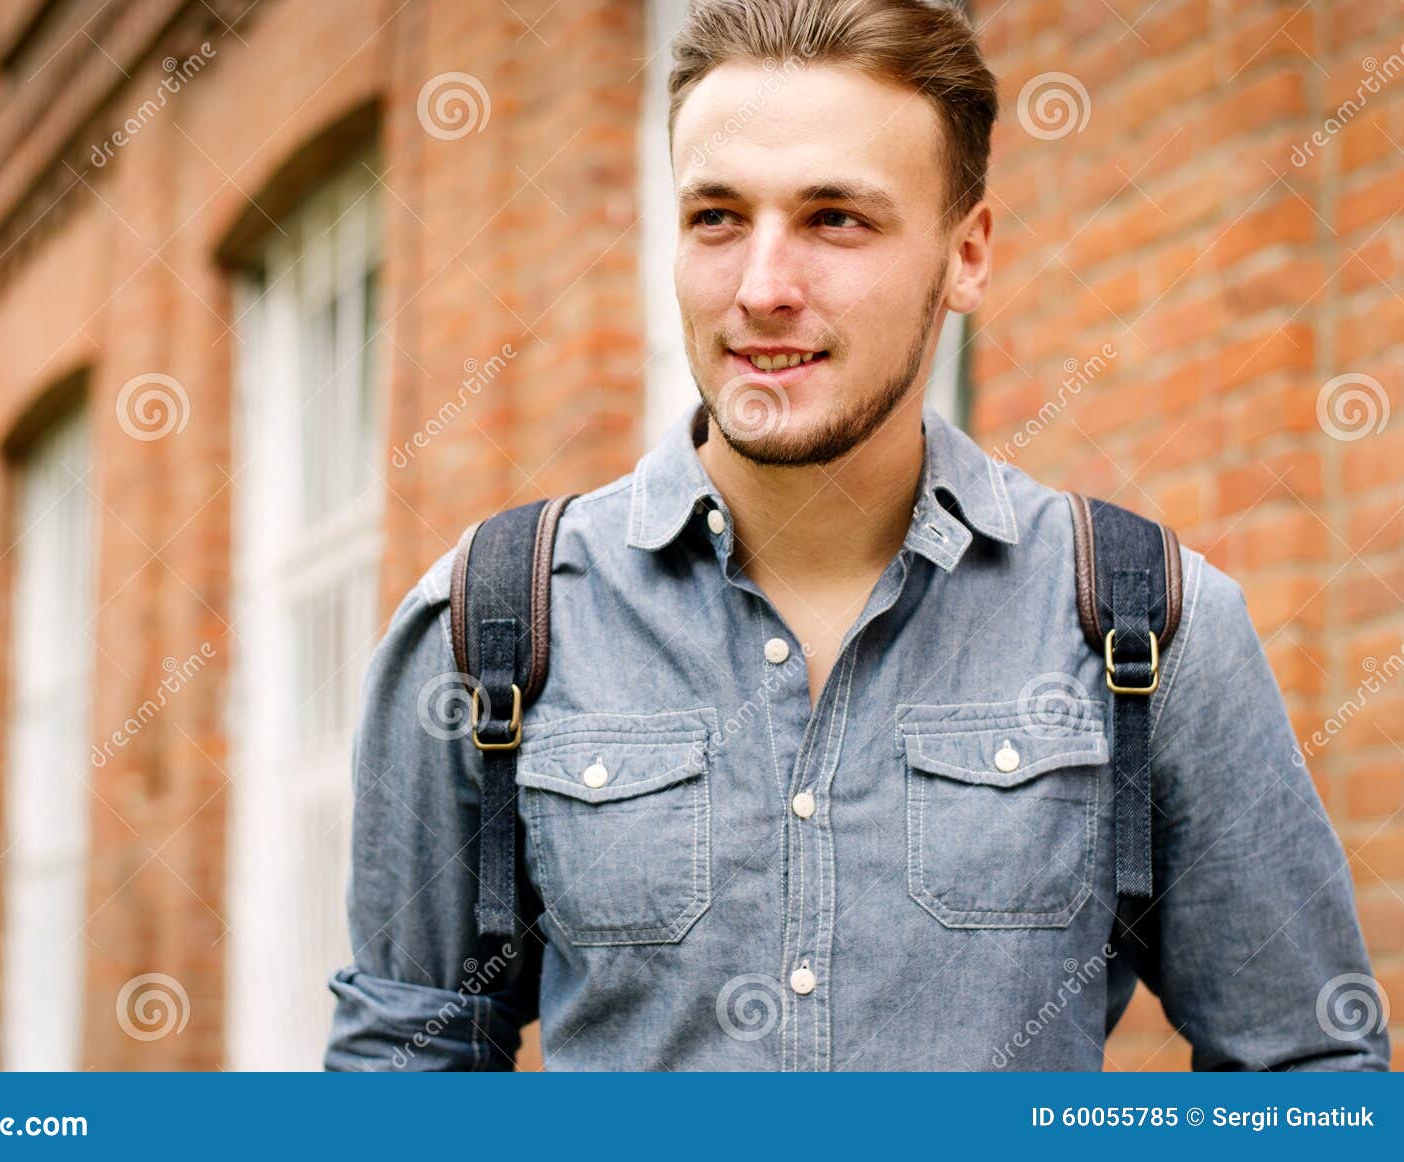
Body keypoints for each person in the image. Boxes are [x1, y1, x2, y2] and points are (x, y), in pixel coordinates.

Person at [324, 0, 1391, 1070]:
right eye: (717, 217)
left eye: (836, 218)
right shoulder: (489, 622)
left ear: (966, 254)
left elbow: (1302, 1075)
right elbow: (404, 1071)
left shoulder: (1150, 623)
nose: (761, 289)